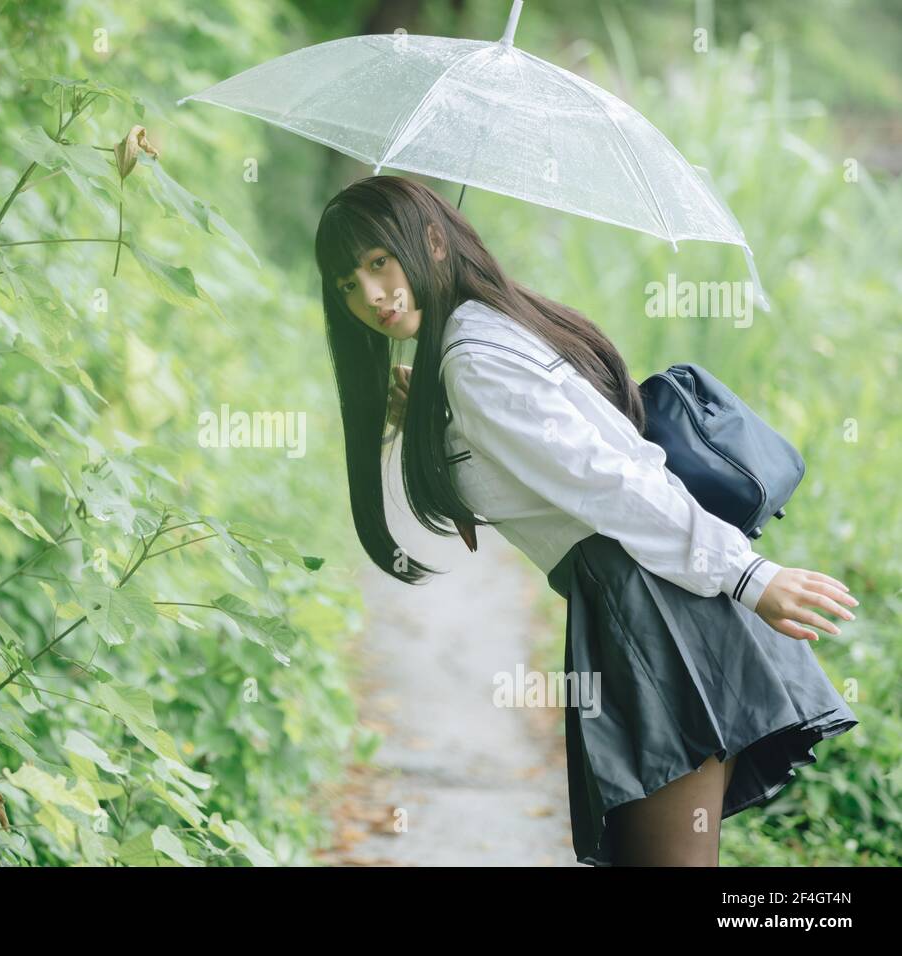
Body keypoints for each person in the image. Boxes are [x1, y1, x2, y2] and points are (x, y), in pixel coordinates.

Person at [314, 174, 859, 866]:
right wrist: (433, 407)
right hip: (637, 604)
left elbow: (613, 483)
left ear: (430, 242)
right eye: (346, 283)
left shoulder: (473, 359)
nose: (368, 295)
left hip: (652, 607)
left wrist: (749, 575)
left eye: (377, 261)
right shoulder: (485, 334)